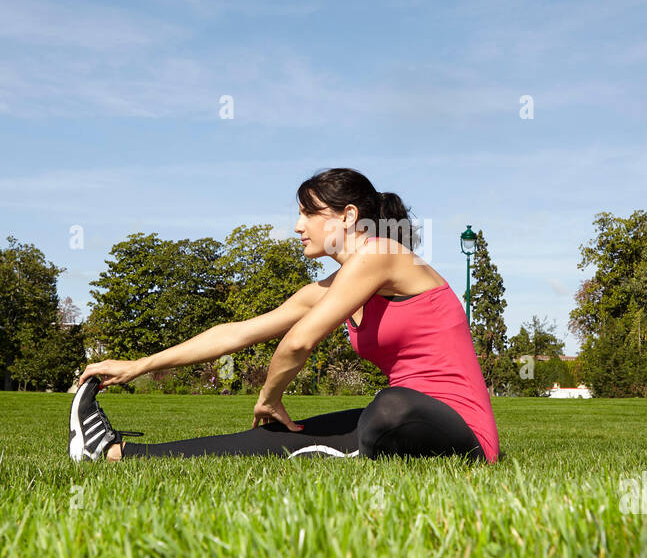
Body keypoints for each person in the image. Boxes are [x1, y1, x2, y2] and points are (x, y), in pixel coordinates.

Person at [68, 168, 502, 464]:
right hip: (398, 421)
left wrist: (270, 397)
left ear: (348, 216)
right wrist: (136, 366)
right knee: (281, 437)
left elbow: (298, 342)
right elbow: (236, 333)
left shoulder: (383, 253)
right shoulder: (336, 285)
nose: (297, 227)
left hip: (456, 428)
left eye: (307, 213)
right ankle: (112, 453)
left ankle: (352, 450)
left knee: (386, 409)